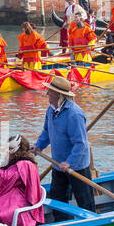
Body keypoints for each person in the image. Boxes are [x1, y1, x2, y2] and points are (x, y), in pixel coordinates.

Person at [33, 75, 95, 211]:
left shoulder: (74, 114)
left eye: (50, 91)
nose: (47, 93)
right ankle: (61, 222)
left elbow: (81, 144)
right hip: (58, 164)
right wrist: (39, 146)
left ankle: (90, 224)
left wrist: (69, 162)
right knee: (58, 199)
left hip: (77, 166)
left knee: (85, 201)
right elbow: (47, 131)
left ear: (58, 95)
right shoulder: (50, 110)